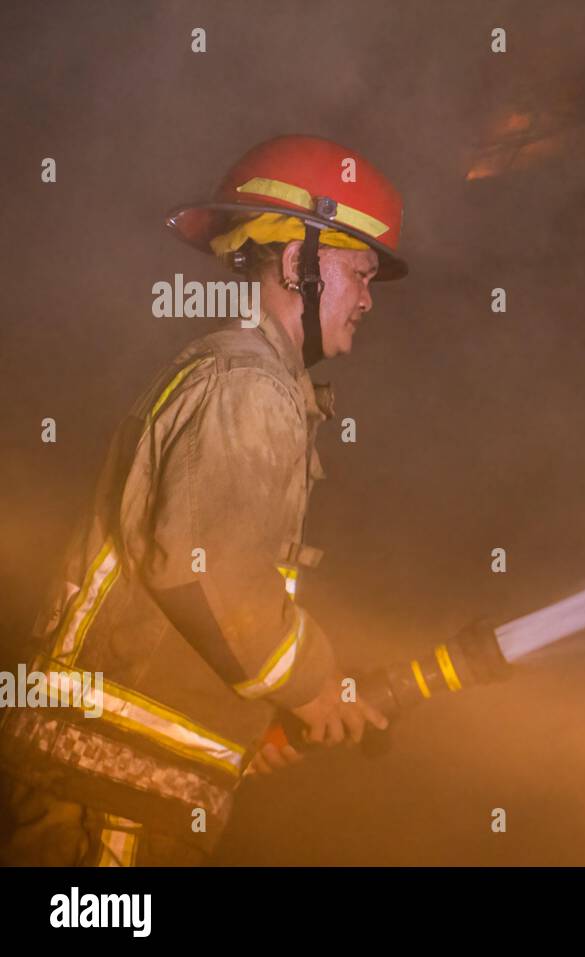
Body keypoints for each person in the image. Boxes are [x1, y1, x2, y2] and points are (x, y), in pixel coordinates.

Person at [0, 134, 405, 865]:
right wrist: (311, 685)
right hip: (109, 791)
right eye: (360, 272)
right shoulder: (246, 383)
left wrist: (256, 719)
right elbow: (205, 569)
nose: (370, 300)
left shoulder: (253, 380)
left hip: (123, 781)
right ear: (296, 264)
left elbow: (208, 601)